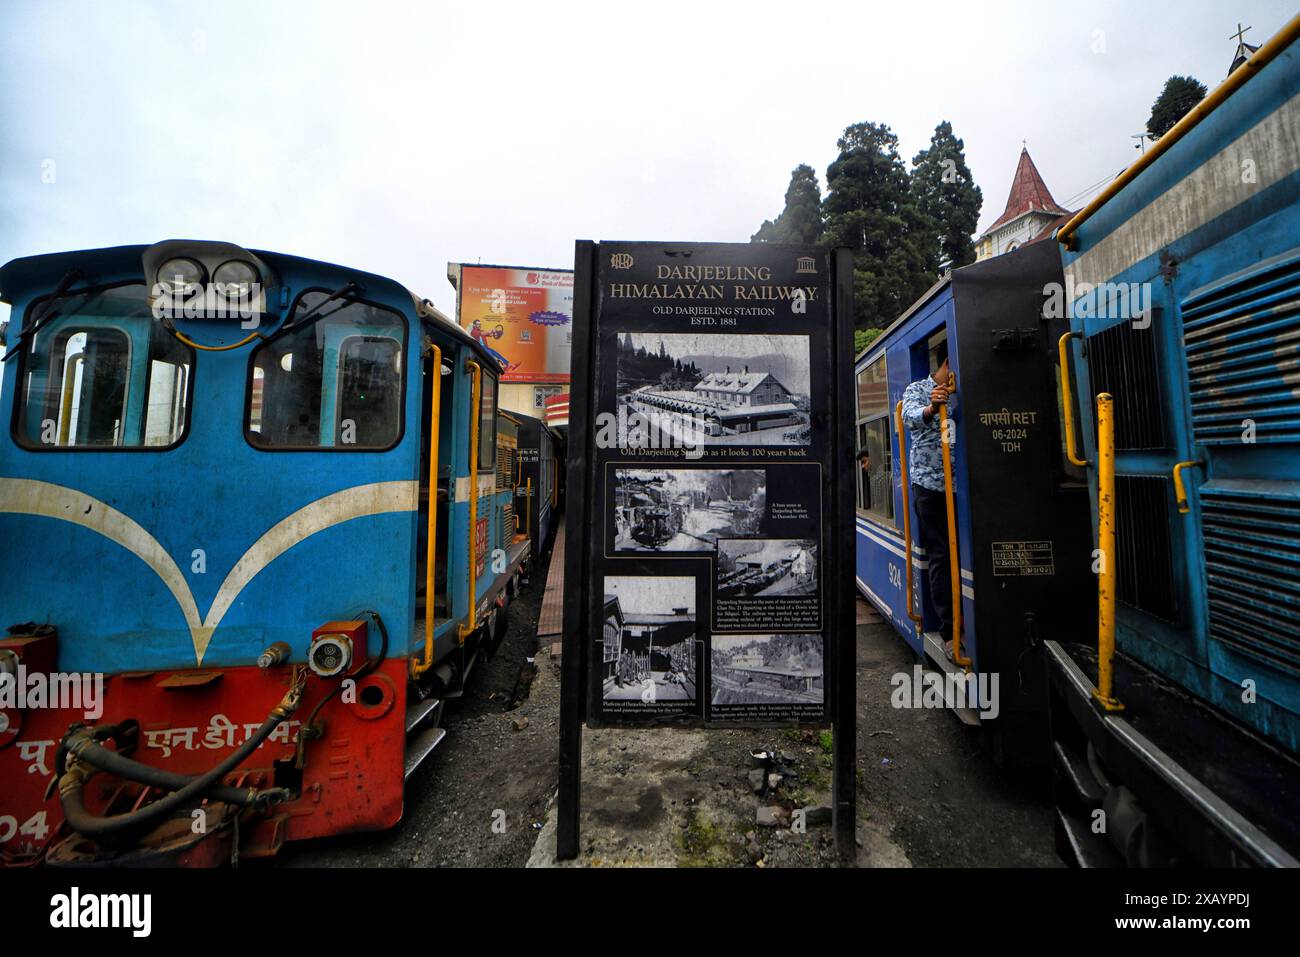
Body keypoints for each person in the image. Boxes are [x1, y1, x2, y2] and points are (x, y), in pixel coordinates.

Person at [901, 342, 959, 659]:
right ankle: (950, 633)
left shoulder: (963, 391)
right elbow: (909, 418)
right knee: (941, 554)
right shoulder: (919, 390)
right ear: (947, 362)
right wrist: (929, 407)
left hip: (962, 486)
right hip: (930, 487)